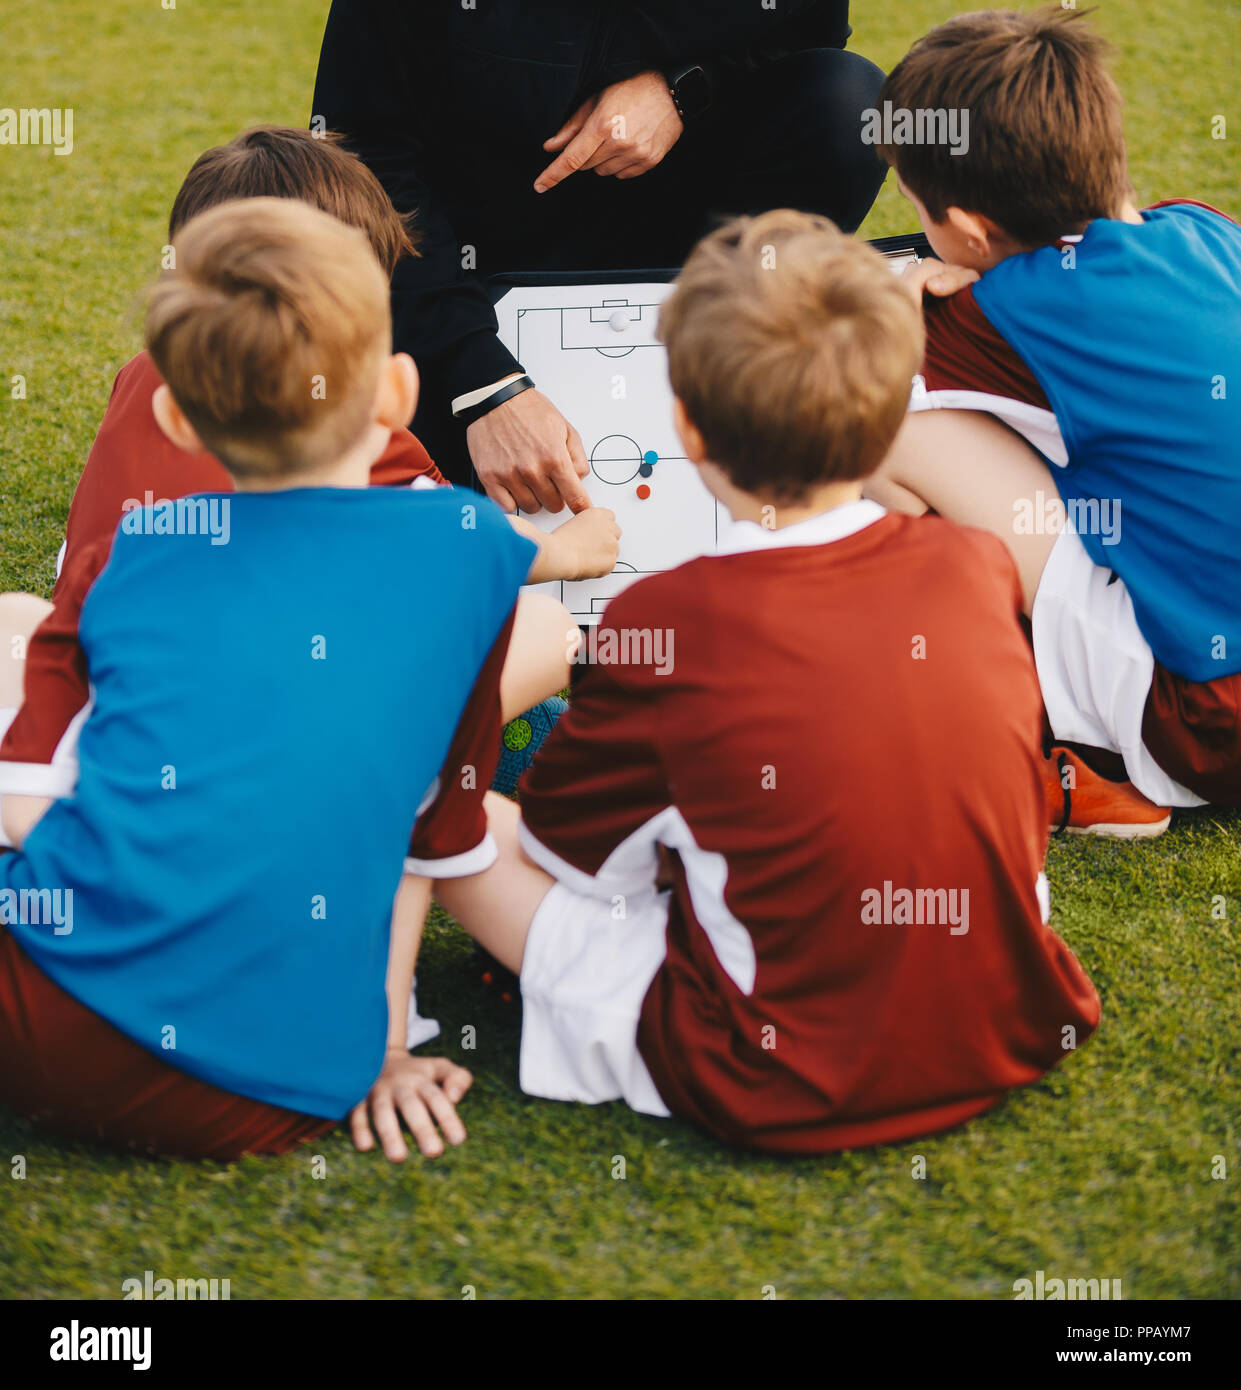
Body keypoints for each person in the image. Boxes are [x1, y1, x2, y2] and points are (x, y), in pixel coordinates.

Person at [425, 211, 1100, 1153]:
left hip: (779, 1071)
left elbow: (572, 857)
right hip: (1011, 1018)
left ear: (688, 426)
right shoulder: (974, 565)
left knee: (442, 798)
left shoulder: (665, 624)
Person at [0, 198, 574, 1161]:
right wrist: (382, 1048)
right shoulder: (470, 550)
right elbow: (432, 831)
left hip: (37, 1035)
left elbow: (27, 805)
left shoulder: (126, 556)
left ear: (176, 415)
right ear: (395, 394)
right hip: (277, 1093)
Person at [865, 7, 1241, 837]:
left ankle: (1032, 718)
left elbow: (837, 357)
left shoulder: (997, 312)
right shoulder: (1211, 231)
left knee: (882, 425)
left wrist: (900, 297)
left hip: (1206, 723)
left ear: (967, 231)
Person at [311, 0, 888, 502]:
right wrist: (481, 383)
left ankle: (742, 368)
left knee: (849, 103)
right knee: (449, 528)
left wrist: (683, 87)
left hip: (686, 237)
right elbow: (359, 157)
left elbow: (803, 41)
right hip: (465, 262)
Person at [55, 126, 619, 601]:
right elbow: (465, 538)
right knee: (526, 628)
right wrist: (571, 550)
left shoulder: (142, 371)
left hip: (100, 662)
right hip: (257, 697)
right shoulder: (348, 410)